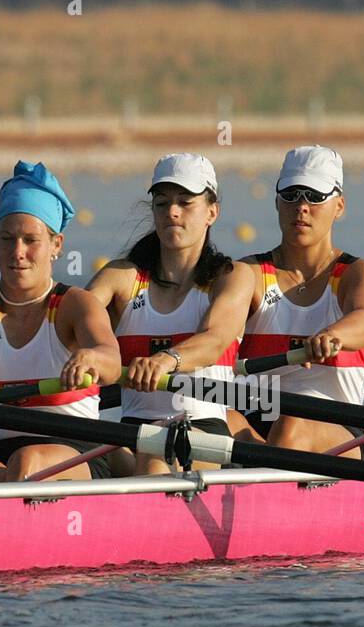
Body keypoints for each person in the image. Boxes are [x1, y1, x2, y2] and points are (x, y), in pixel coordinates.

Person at [0, 161, 121, 484]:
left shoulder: (74, 304)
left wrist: (91, 358)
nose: (18, 252)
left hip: (72, 451)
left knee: (26, 463)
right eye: (7, 239)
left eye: (31, 240)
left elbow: (112, 361)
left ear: (56, 245)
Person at [87, 153, 252, 474]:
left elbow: (214, 339)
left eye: (185, 202)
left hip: (202, 428)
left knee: (158, 454)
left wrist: (166, 360)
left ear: (212, 212)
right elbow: (74, 317)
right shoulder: (122, 276)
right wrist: (86, 353)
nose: (172, 212)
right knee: (72, 454)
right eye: (162, 203)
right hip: (130, 432)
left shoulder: (230, 276)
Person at [235, 145, 364, 456]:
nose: (301, 207)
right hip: (255, 421)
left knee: (292, 425)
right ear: (277, 202)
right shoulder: (247, 273)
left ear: (340, 206)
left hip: (338, 428)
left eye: (315, 197)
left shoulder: (360, 272)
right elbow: (219, 331)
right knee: (194, 421)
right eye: (291, 195)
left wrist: (334, 335)